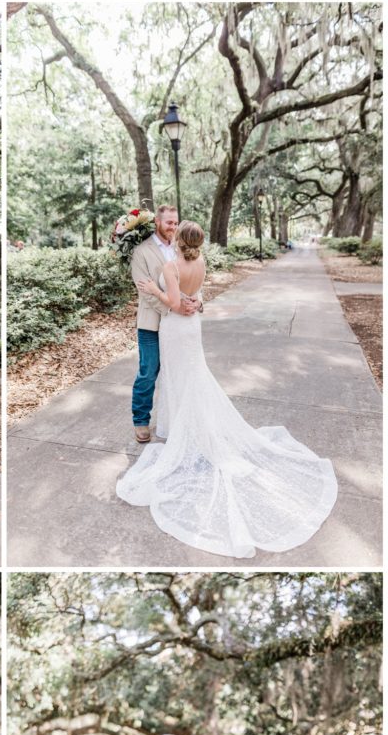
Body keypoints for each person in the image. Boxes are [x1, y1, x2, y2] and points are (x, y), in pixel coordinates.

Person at [116, 220, 337, 557]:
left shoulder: (173, 266)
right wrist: (195, 303)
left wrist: (153, 290)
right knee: (192, 378)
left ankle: (189, 433)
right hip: (193, 327)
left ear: (178, 239)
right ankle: (183, 427)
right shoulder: (200, 263)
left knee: (181, 380)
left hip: (176, 327)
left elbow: (175, 303)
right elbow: (195, 298)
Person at [126, 203, 199, 447]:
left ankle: (177, 419)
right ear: (157, 222)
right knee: (149, 371)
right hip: (152, 323)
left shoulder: (184, 248)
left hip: (179, 325)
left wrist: (197, 303)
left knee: (180, 371)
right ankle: (141, 420)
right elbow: (145, 291)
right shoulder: (142, 252)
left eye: (176, 223)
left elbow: (196, 281)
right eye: (169, 222)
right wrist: (174, 307)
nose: (173, 227)